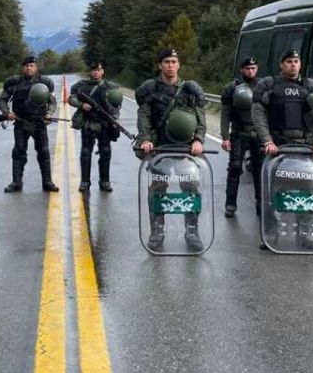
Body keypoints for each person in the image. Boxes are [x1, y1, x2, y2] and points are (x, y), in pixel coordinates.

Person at [252, 49, 313, 249]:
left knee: (310, 191)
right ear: (281, 64)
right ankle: (271, 234)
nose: (293, 65)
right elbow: (259, 116)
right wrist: (268, 141)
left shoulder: (311, 87)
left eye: (296, 61)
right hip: (278, 148)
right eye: (288, 61)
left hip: (304, 148)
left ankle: (306, 235)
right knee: (272, 192)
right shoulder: (269, 86)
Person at [134, 48, 208, 251]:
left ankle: (192, 231)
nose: (170, 65)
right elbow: (144, 117)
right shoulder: (151, 89)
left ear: (179, 65)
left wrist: (199, 140)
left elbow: (200, 119)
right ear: (160, 65)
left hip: (185, 151)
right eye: (166, 61)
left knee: (191, 190)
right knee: (157, 191)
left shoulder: (189, 90)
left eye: (174, 61)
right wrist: (146, 139)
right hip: (159, 150)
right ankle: (157, 232)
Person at [0, 55, 59, 193]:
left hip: (39, 122)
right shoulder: (14, 83)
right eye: (26, 66)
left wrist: (49, 114)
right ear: (23, 67)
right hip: (21, 122)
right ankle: (16, 182)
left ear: (36, 67)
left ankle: (47, 182)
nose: (29, 68)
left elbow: (52, 102)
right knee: (19, 151)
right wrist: (6, 112)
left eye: (32, 65)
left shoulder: (45, 82)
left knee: (43, 152)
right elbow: (3, 100)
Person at [68, 61, 121, 192]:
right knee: (86, 153)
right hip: (88, 123)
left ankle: (105, 181)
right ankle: (85, 182)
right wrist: (81, 105)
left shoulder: (110, 87)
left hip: (105, 124)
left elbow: (117, 103)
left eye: (99, 70)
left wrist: (114, 118)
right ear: (90, 72)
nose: (96, 72)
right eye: (94, 70)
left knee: (105, 153)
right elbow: (71, 99)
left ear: (103, 72)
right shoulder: (82, 86)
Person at [220, 57, 262, 217]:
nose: (250, 71)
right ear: (241, 70)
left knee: (260, 170)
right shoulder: (232, 88)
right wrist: (225, 137)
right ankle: (230, 203)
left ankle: (260, 203)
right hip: (239, 133)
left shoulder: (263, 87)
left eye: (253, 68)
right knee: (235, 166)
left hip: (258, 134)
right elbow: (225, 114)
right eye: (247, 68)